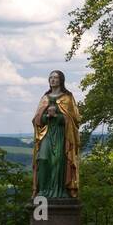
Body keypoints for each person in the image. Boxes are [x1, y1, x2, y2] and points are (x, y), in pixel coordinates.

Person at [32, 70, 80, 200]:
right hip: (47, 134)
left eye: (56, 78)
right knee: (43, 159)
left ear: (61, 80)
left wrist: (58, 117)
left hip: (61, 135)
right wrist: (46, 116)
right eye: (51, 78)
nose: (53, 80)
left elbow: (75, 120)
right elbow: (36, 120)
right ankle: (43, 190)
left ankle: (59, 191)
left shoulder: (67, 98)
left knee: (58, 162)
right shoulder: (45, 98)